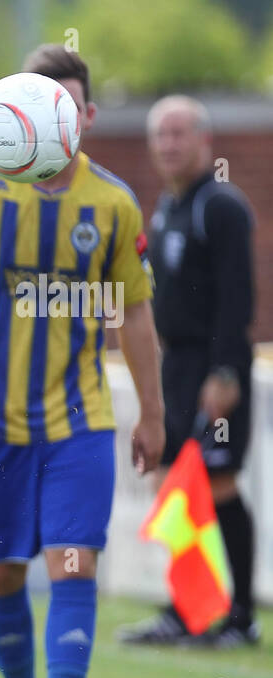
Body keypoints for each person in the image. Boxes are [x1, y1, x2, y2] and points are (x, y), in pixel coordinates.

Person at [0, 46, 165, 678]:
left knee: (74, 560)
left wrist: (152, 411)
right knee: (1, 569)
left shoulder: (114, 203)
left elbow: (136, 312)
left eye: (63, 103)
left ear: (84, 116)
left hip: (79, 417)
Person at [118, 95, 259, 649]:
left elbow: (237, 294)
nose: (169, 145)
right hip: (175, 365)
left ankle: (242, 616)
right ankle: (187, 609)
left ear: (204, 140)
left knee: (218, 482)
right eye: (161, 135)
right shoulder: (165, 209)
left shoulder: (220, 206)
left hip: (214, 361)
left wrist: (224, 371)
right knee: (173, 484)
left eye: (180, 134)